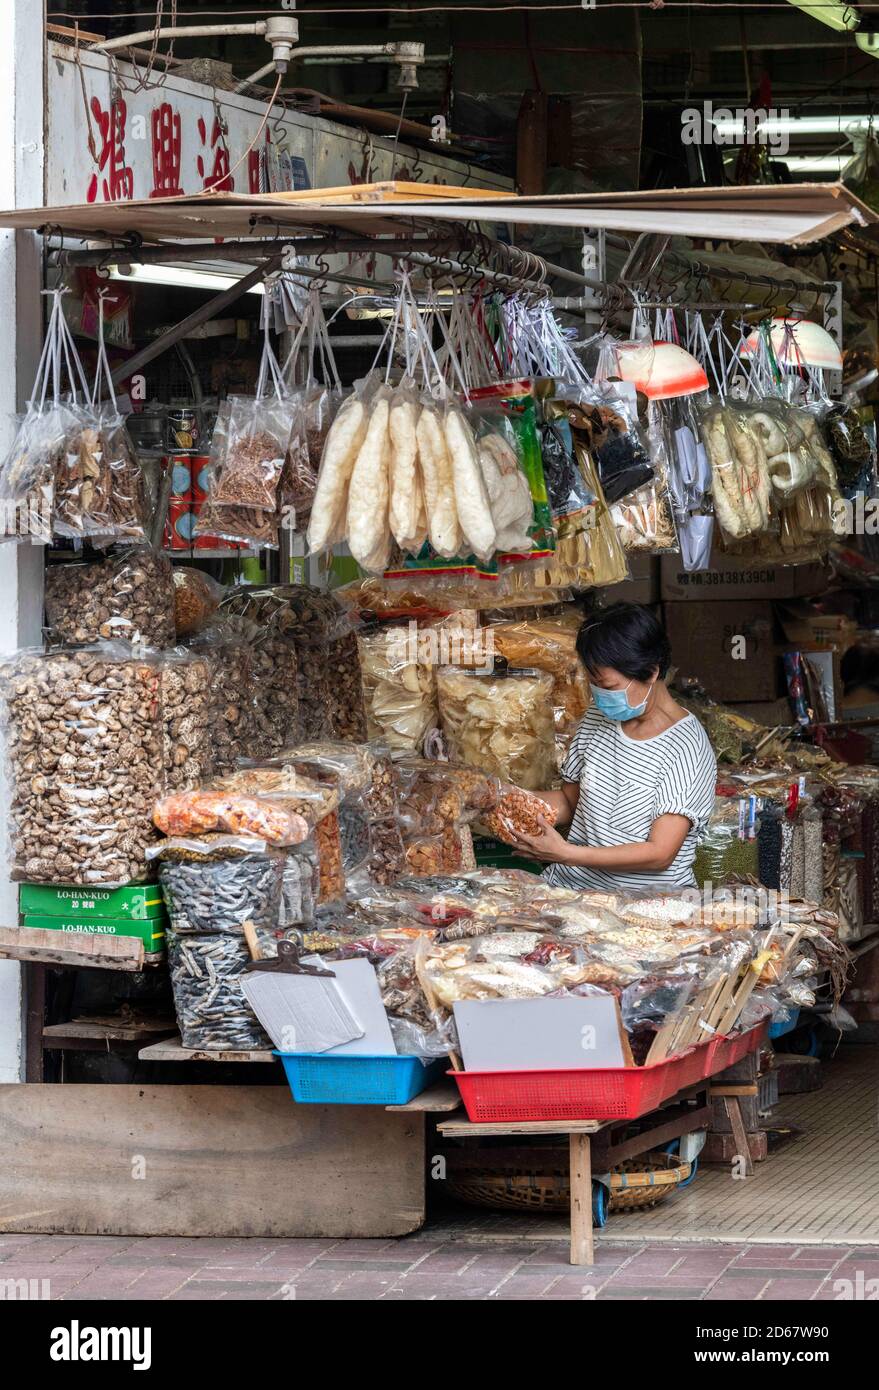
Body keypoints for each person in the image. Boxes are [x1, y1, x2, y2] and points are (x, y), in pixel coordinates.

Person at [509, 602, 717, 894]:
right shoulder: (597, 717)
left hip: (648, 904)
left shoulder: (686, 748)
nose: (599, 695)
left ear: (651, 672)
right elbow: (571, 802)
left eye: (607, 685)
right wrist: (505, 799)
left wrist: (567, 853)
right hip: (572, 889)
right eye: (594, 684)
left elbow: (660, 853)